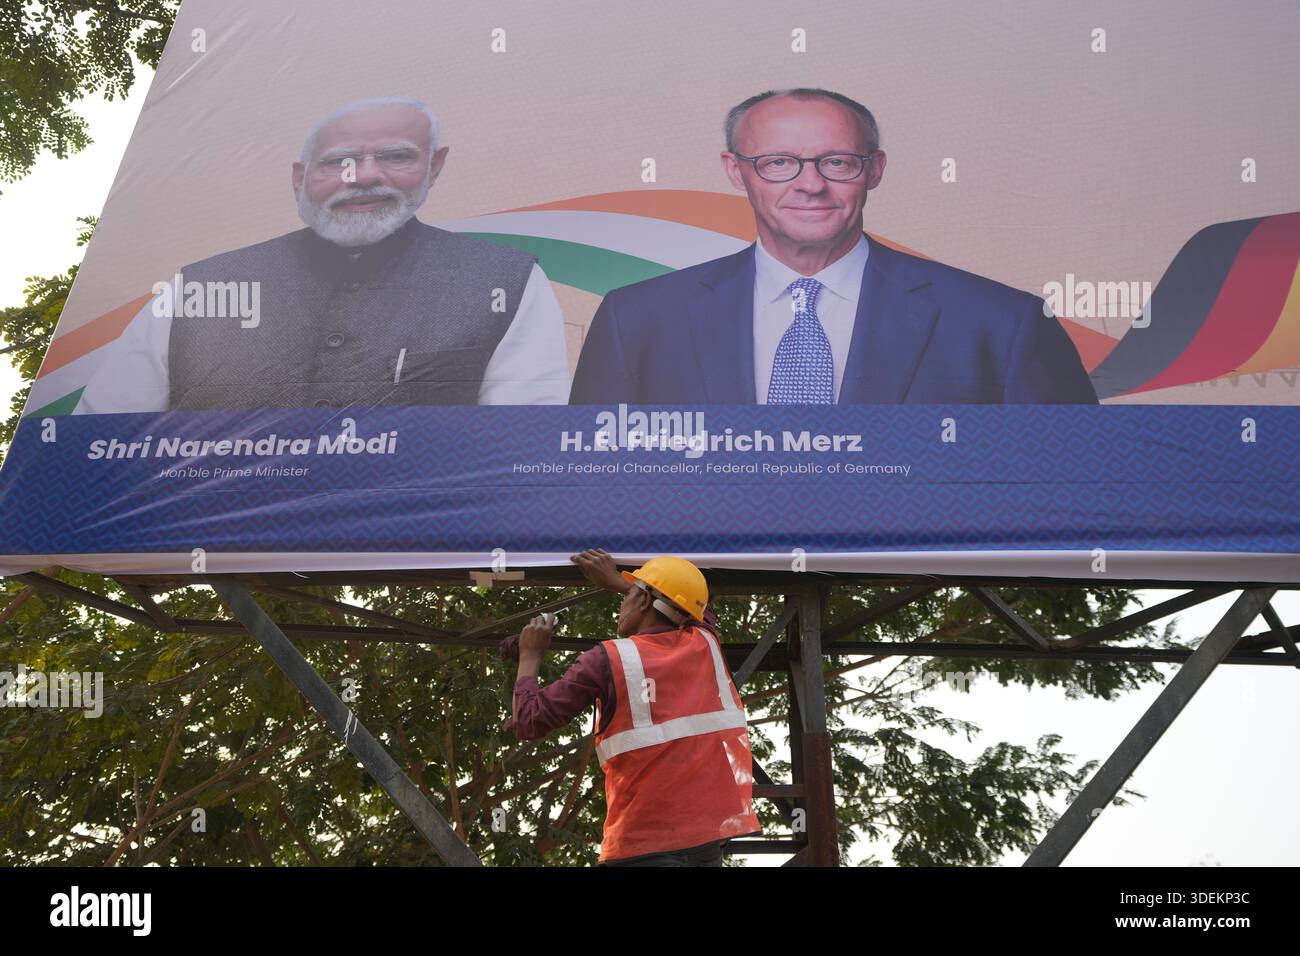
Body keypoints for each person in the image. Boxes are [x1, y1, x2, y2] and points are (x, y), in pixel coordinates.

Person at [569, 88, 1097, 405]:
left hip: (918, 590)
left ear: (875, 170)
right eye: (778, 162)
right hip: (703, 591)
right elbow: (589, 484)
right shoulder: (636, 319)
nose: (810, 184)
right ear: (736, 172)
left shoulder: (1003, 323)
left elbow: (1075, 488)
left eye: (837, 161)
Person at [77, 96, 570, 412]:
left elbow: (519, 450)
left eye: (396, 156)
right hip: (200, 541)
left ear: (434, 167)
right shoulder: (201, 286)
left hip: (407, 550)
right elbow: (96, 443)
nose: (364, 176)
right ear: (300, 178)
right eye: (339, 162)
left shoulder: (506, 281)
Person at [500, 549, 761, 866]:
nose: (621, 604)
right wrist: (625, 585)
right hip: (705, 847)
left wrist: (530, 655)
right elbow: (695, 612)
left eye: (631, 593)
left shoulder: (606, 659)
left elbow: (529, 721)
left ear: (645, 602)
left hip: (640, 845)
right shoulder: (705, 642)